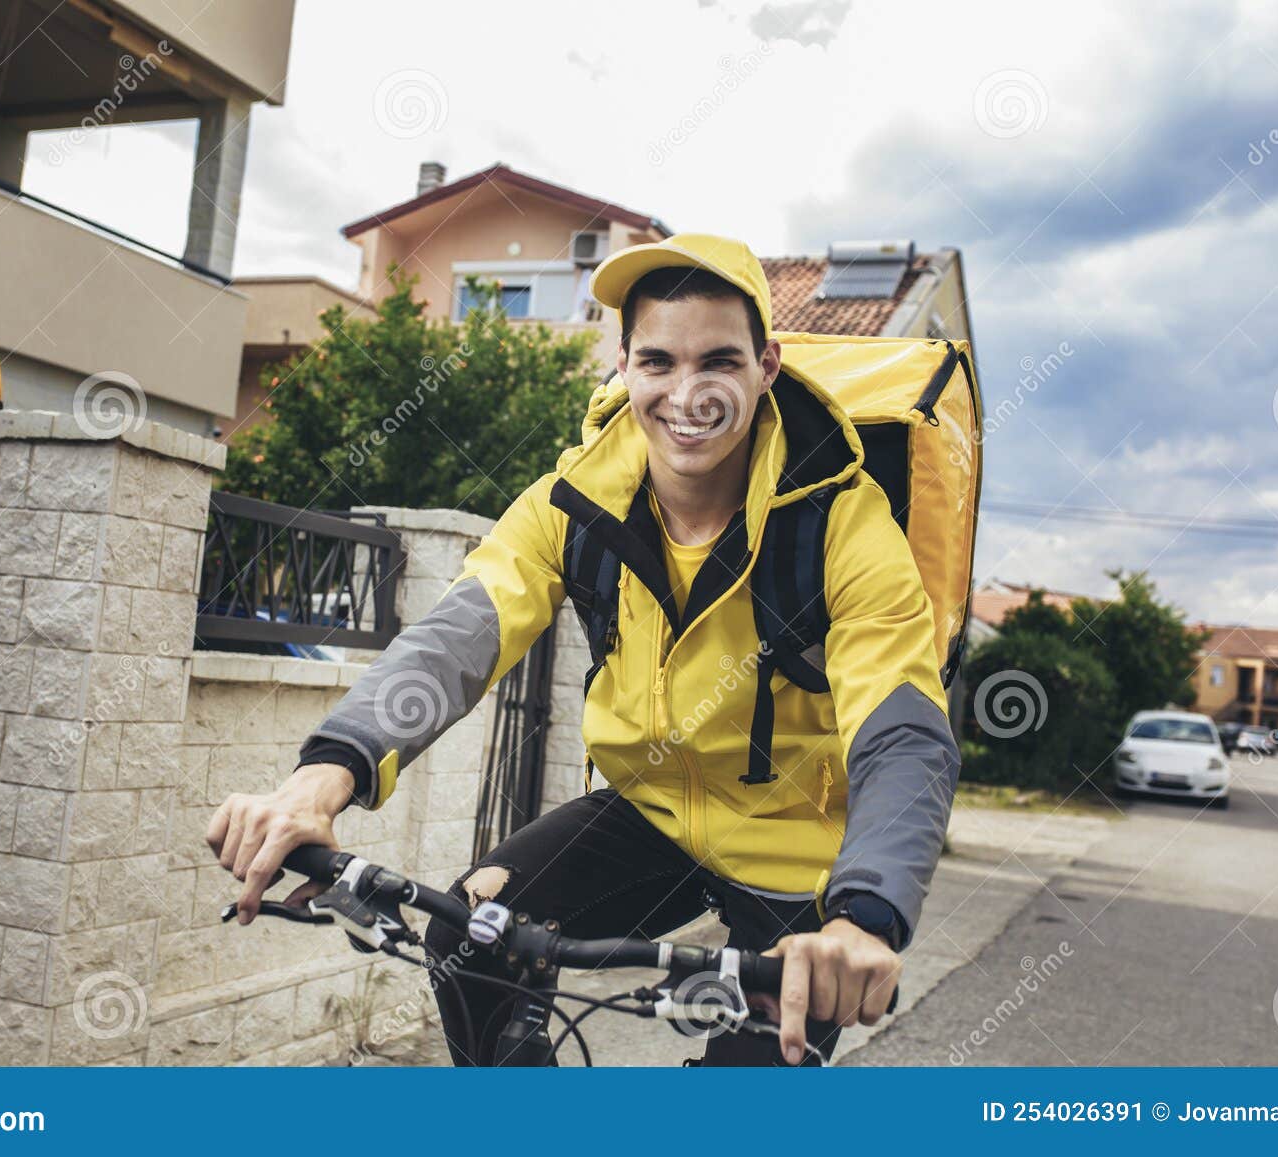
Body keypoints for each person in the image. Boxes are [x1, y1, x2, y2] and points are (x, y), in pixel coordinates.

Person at [205, 233, 960, 1066]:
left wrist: (865, 919)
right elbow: (458, 636)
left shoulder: (843, 525)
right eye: (658, 361)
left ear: (767, 366)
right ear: (625, 366)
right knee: (472, 938)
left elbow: (902, 732)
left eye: (719, 361)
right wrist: (320, 779)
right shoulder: (575, 498)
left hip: (798, 852)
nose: (687, 393)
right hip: (649, 812)